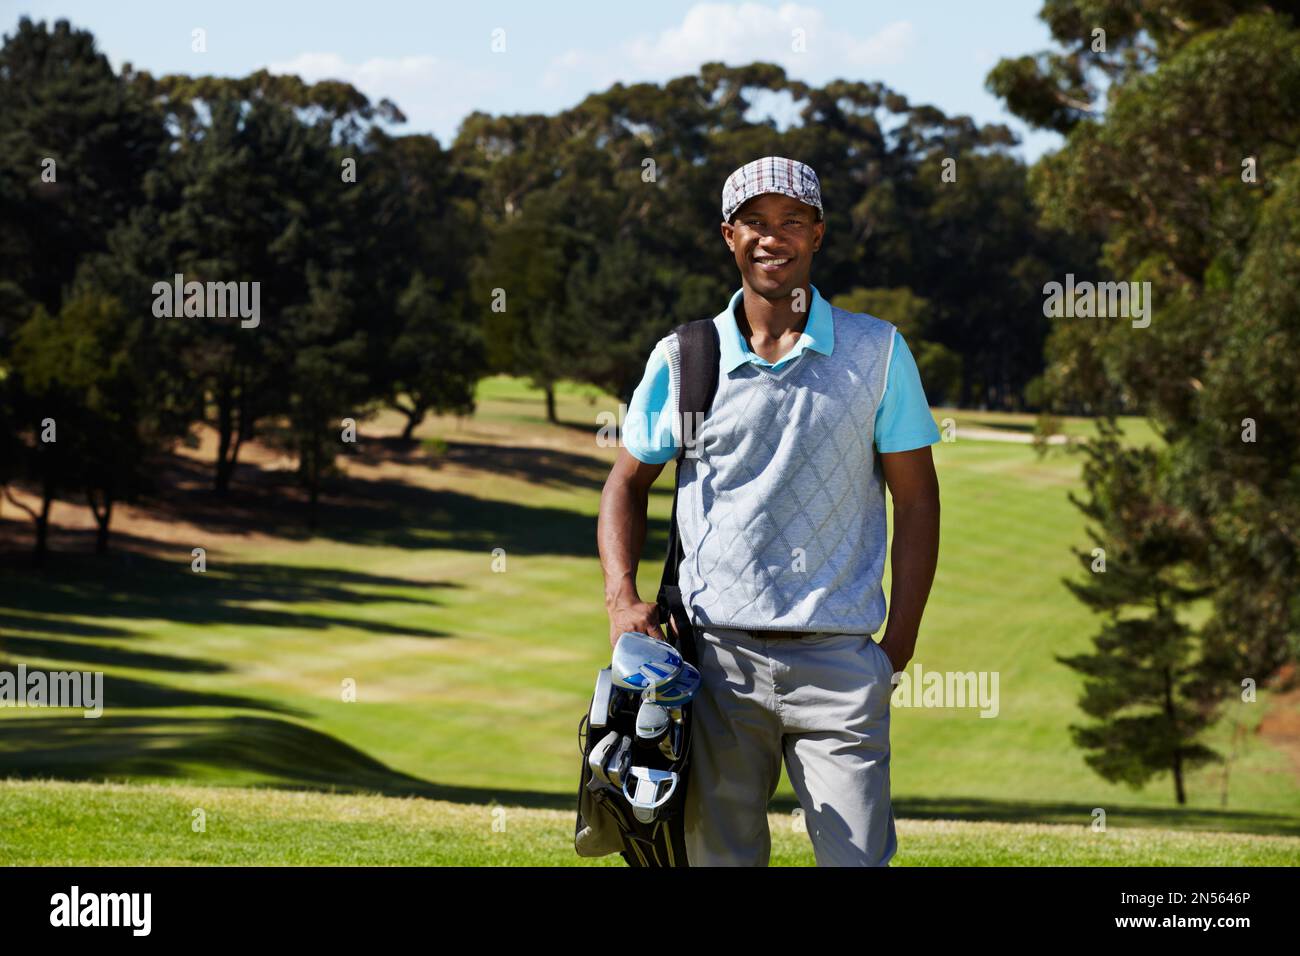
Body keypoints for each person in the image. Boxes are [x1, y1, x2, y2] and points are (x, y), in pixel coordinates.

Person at [597, 156, 941, 866]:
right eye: (755, 221)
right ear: (729, 235)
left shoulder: (877, 352)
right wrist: (621, 600)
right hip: (714, 664)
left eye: (791, 221)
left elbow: (917, 499)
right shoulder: (686, 358)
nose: (772, 238)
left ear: (818, 234)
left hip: (842, 664)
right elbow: (626, 483)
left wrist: (896, 645)